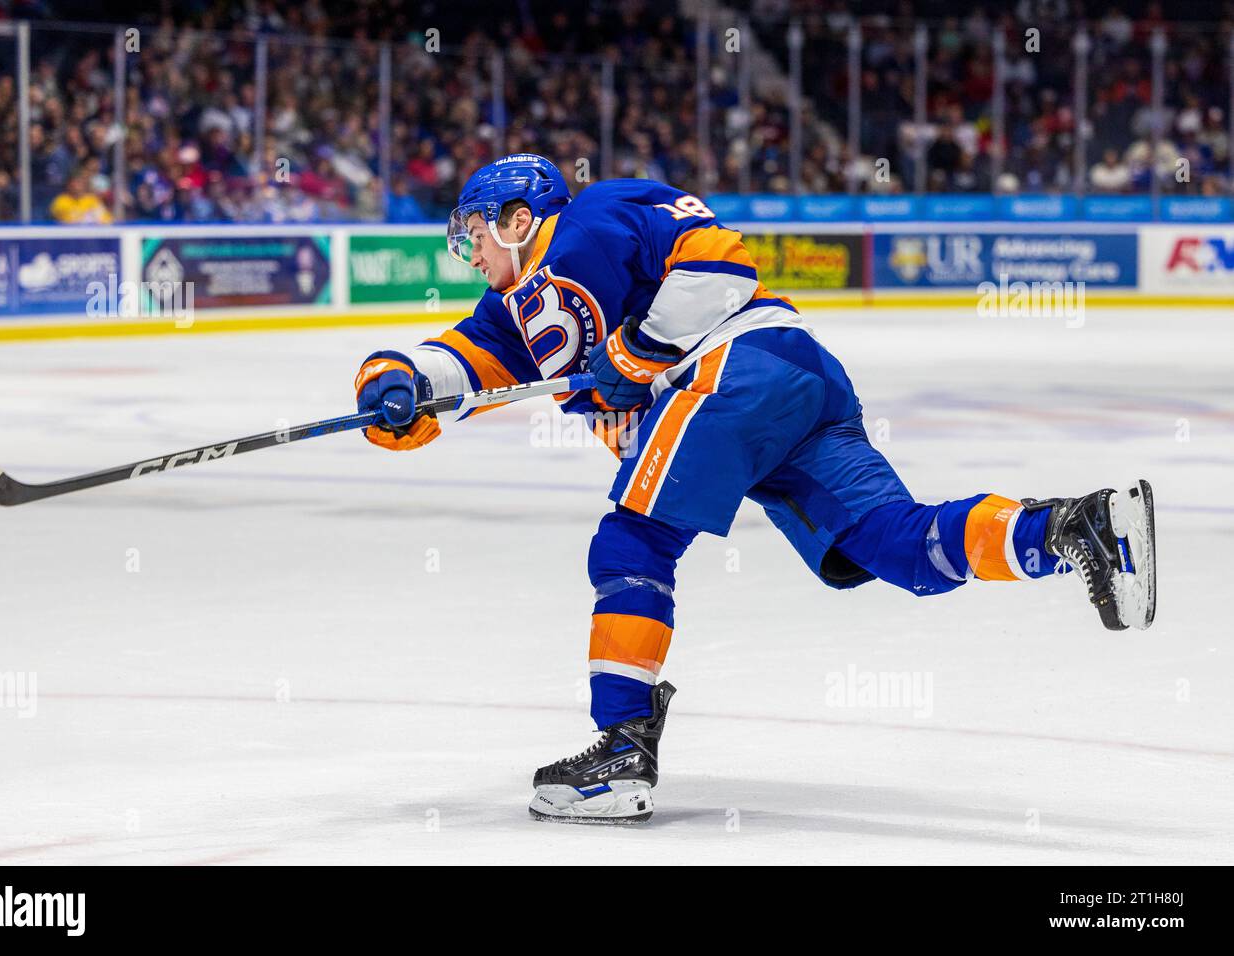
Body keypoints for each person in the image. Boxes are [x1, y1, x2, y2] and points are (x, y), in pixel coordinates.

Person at [352, 154, 1157, 824]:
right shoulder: (512, 313)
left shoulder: (596, 214)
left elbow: (720, 260)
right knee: (893, 547)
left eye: (474, 235)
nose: (471, 256)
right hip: (796, 381)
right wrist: (393, 385)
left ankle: (622, 747)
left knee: (632, 542)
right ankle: (1077, 529)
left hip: (737, 365)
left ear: (518, 216)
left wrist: (636, 349)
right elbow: (452, 365)